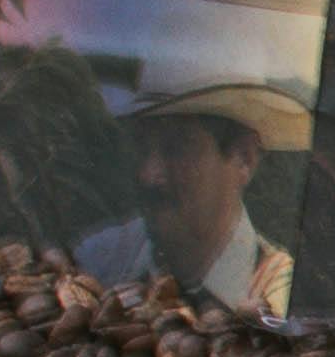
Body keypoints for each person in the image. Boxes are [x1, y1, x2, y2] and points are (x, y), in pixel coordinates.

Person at [76, 90, 296, 313]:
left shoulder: (284, 295)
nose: (148, 175)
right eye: (141, 146)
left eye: (176, 148)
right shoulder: (101, 257)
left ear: (244, 158)